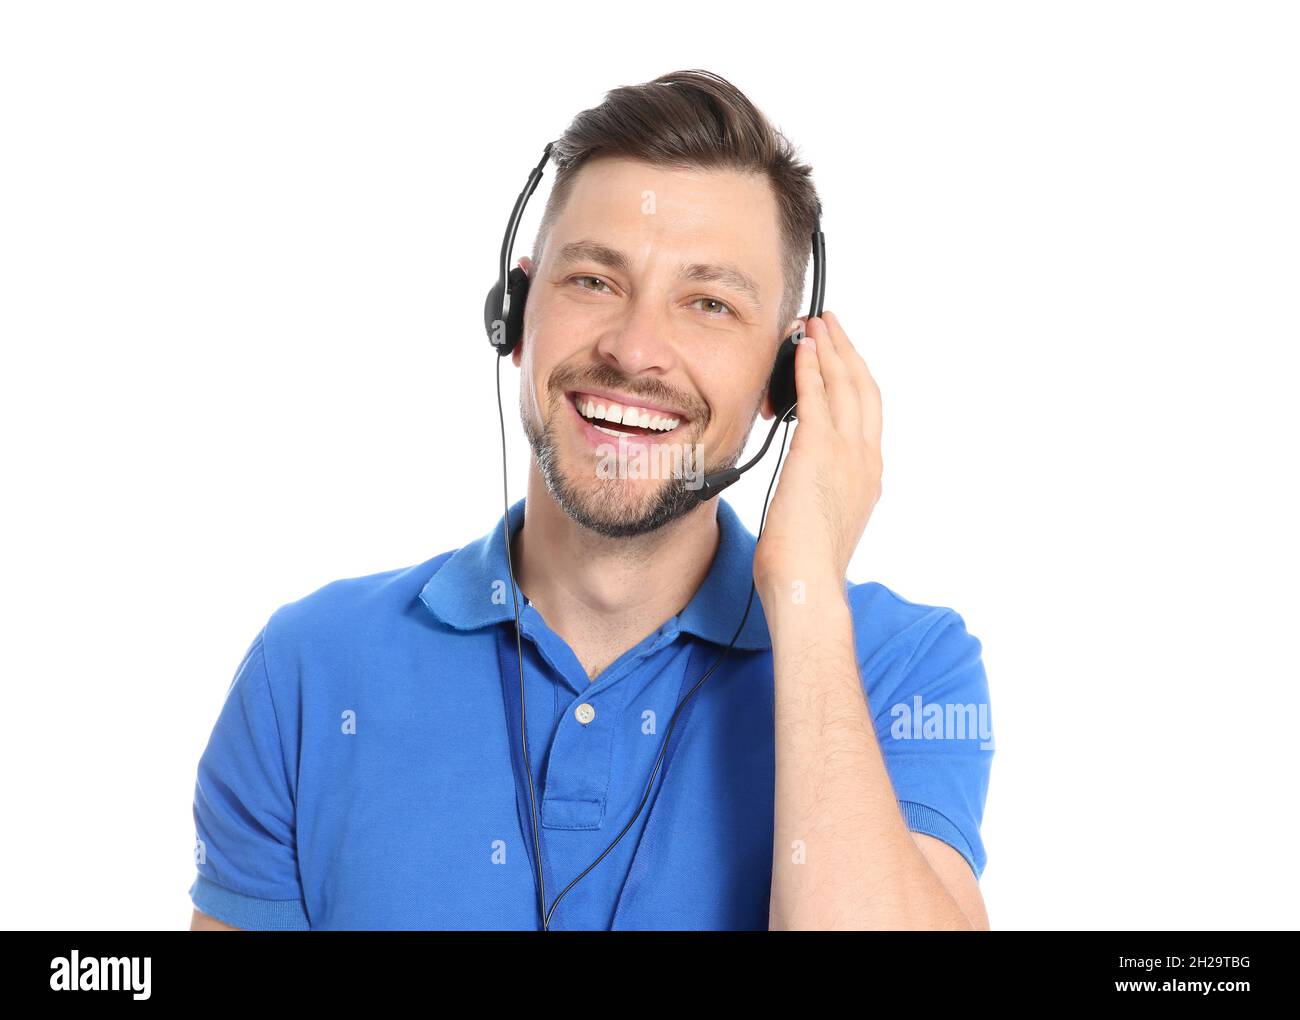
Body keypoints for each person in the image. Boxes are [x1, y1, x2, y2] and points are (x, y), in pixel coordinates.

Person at [188, 68, 993, 931]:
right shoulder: (307, 671)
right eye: (594, 282)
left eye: (710, 303)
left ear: (784, 376)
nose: (636, 350)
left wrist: (804, 590)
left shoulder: (901, 667)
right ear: (515, 313)